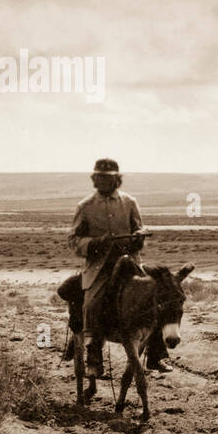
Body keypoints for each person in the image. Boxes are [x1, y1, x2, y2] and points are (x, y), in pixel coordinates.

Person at [68, 159, 145, 379]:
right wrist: (94, 243)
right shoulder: (85, 206)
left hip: (129, 262)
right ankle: (94, 355)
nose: (103, 181)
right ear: (94, 179)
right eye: (99, 177)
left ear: (116, 179)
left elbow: (139, 229)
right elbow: (74, 240)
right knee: (91, 304)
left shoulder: (130, 202)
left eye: (108, 177)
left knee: (158, 292)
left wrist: (138, 238)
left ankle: (158, 351)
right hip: (99, 266)